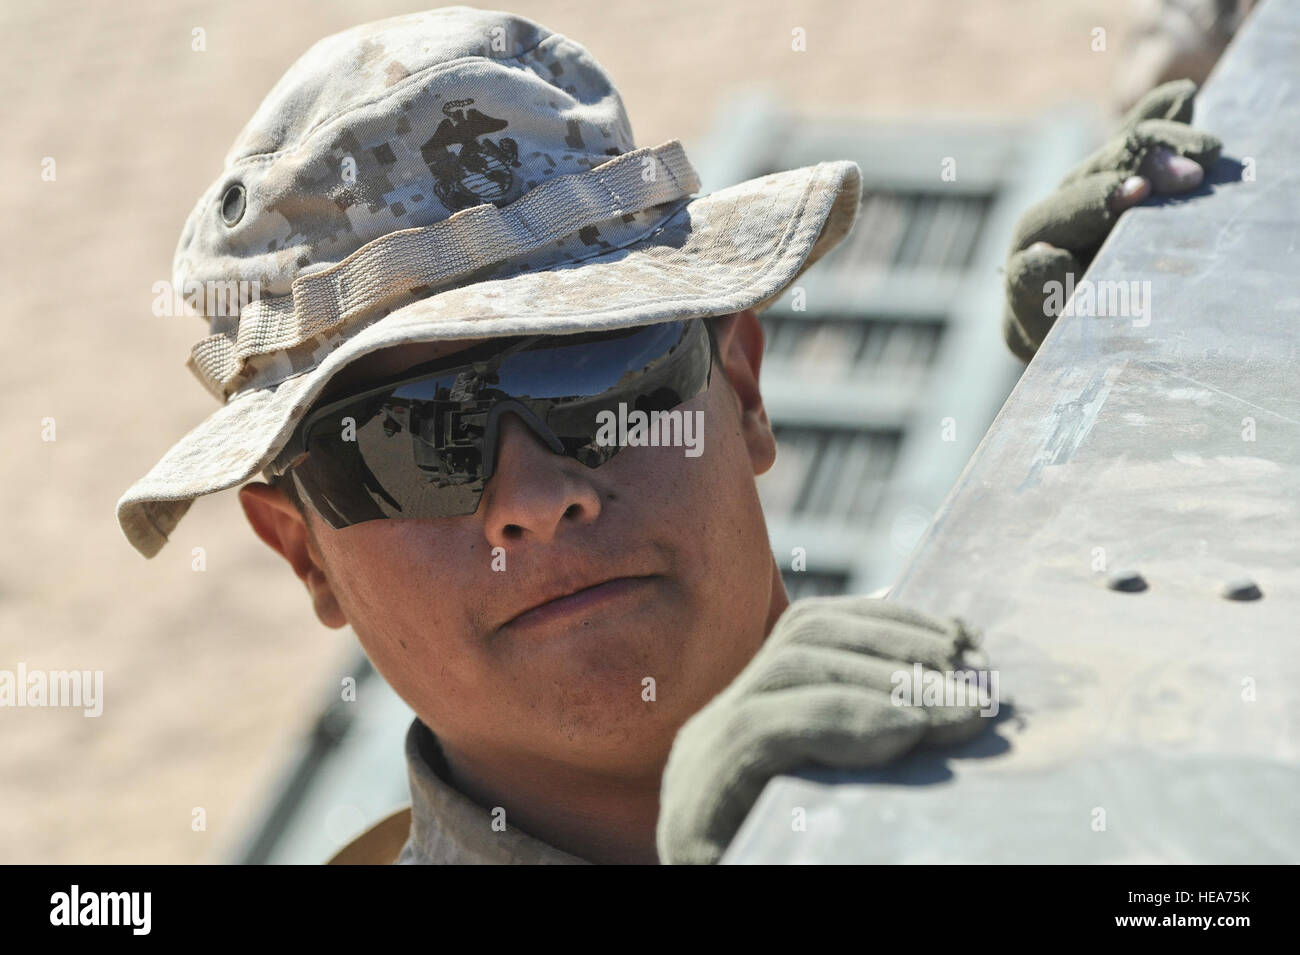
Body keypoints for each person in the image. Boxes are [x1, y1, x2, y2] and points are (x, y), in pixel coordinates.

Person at [117, 6, 1221, 864]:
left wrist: (1181, 473)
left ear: (738, 383)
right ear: (306, 552)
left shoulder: (1048, 713)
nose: (534, 496)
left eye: (595, 376)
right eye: (407, 443)